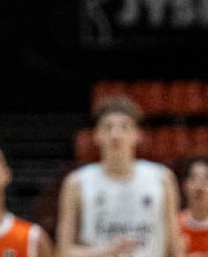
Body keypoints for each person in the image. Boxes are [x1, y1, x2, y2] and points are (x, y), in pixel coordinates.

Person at [55, 99, 179, 257]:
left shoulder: (162, 178)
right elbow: (63, 251)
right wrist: (106, 251)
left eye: (124, 127)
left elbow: (175, 245)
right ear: (97, 135)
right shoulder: (76, 182)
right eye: (108, 127)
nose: (116, 134)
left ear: (137, 134)